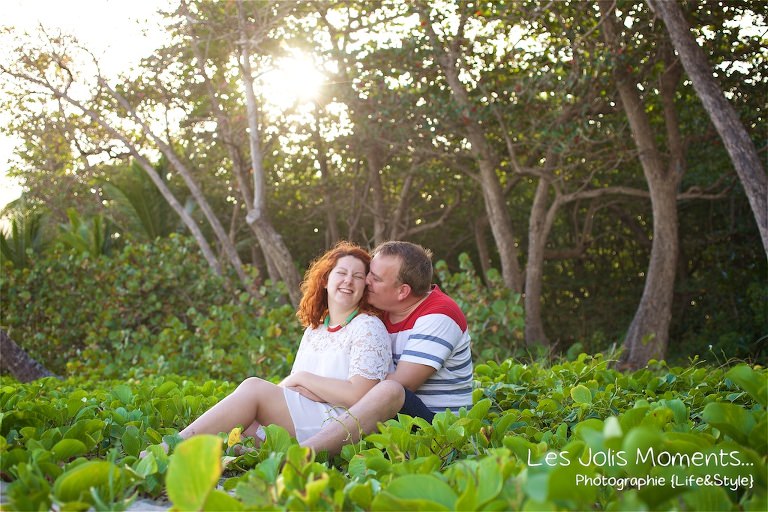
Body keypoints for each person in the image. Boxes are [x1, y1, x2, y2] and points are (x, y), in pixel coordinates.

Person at [141, 242, 391, 455]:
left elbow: (359, 395)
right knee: (242, 426)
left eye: (358, 276)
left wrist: (303, 379)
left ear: (364, 287)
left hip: (335, 424)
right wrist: (306, 385)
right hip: (306, 414)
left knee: (253, 387)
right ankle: (209, 454)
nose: (349, 281)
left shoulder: (368, 327)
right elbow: (296, 391)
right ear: (326, 280)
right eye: (342, 273)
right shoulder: (315, 330)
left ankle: (169, 449)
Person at [300, 240, 473, 455]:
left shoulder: (439, 315)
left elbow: (401, 385)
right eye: (369, 272)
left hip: (437, 429)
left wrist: (317, 386)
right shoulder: (381, 310)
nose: (366, 281)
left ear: (402, 292)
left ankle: (305, 454)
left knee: (390, 390)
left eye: (376, 278)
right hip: (387, 419)